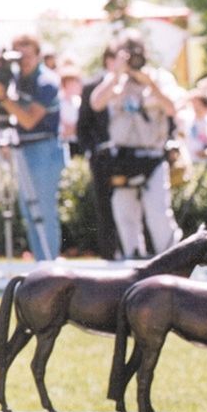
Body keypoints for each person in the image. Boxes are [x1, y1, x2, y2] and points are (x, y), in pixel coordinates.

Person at [89, 29, 183, 259]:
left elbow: (172, 108)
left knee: (159, 214)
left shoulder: (159, 78)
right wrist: (117, 74)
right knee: (125, 214)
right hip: (123, 157)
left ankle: (173, 260)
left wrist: (150, 83)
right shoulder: (115, 80)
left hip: (152, 155)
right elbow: (96, 103)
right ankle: (132, 260)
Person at [0, 33, 65, 261]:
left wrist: (4, 99)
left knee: (43, 210)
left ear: (38, 55)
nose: (24, 61)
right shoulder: (16, 78)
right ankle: (40, 261)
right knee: (29, 211)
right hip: (23, 149)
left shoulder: (47, 81)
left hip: (44, 149)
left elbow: (29, 120)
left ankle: (49, 262)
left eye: (28, 56)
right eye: (19, 56)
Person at [76, 41, 120, 259]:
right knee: (105, 209)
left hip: (128, 154)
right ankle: (110, 256)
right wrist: (92, 150)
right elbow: (82, 126)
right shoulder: (92, 87)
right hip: (103, 155)